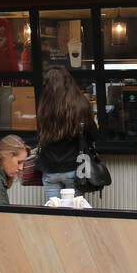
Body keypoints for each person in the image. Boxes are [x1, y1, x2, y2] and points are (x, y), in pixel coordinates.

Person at [35, 65, 97, 202]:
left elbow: (40, 134)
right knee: (75, 212)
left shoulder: (44, 107)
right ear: (69, 82)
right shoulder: (81, 105)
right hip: (75, 167)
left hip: (49, 167)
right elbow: (93, 134)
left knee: (54, 214)